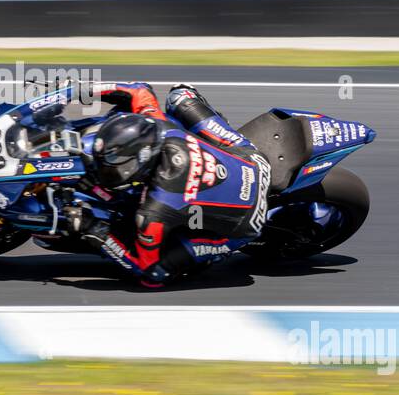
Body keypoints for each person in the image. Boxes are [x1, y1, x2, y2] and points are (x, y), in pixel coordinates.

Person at [62, 82, 271, 288]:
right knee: (180, 94)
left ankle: (219, 246)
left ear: (142, 161)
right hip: (250, 159)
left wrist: (95, 230)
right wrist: (76, 91)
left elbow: (146, 268)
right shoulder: (159, 125)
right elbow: (138, 89)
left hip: (248, 222)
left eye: (118, 167)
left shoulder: (155, 210)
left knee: (155, 274)